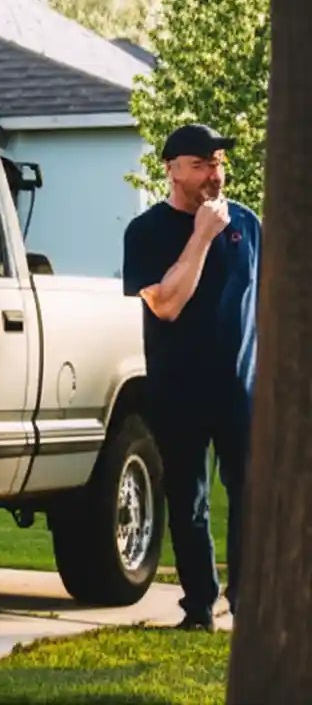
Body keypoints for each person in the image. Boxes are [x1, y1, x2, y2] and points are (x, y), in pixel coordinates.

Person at [121, 123, 261, 632]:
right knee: (189, 500)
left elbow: (263, 304)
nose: (213, 174)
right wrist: (202, 236)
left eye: (218, 163)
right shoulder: (147, 232)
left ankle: (246, 604)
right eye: (201, 164)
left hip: (241, 389)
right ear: (172, 170)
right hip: (179, 389)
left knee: (249, 495)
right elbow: (166, 304)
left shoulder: (247, 224)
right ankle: (199, 606)